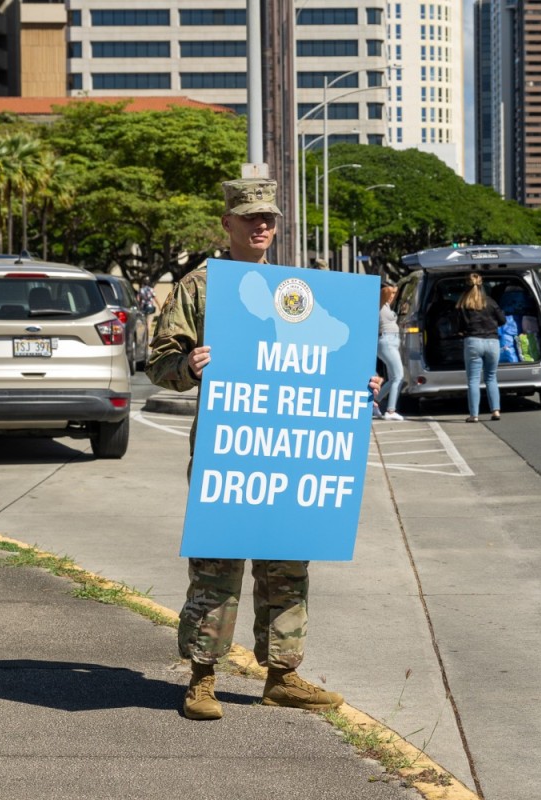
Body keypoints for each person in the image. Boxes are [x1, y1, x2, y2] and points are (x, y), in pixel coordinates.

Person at [146, 178, 378, 721]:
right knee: (217, 565)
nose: (261, 225)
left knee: (286, 566)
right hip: (230, 450)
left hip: (291, 451)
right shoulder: (202, 287)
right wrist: (187, 366)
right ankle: (203, 678)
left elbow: (328, 353)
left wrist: (355, 383)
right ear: (227, 223)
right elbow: (159, 363)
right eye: (249, 217)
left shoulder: (303, 286)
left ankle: (282, 674)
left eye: (268, 217)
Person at [455, 272, 505, 423]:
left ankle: (474, 415)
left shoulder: (462, 304)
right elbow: (502, 320)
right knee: (491, 378)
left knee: (473, 380)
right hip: (492, 342)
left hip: (473, 342)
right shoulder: (490, 302)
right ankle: (495, 411)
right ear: (482, 284)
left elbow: (459, 326)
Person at [375, 284, 404, 421]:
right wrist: (393, 288)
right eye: (391, 293)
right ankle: (391, 411)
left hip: (391, 341)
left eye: (394, 294)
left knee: (394, 378)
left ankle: (374, 401)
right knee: (399, 376)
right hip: (386, 341)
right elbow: (386, 291)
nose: (393, 296)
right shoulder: (379, 302)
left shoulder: (386, 305)